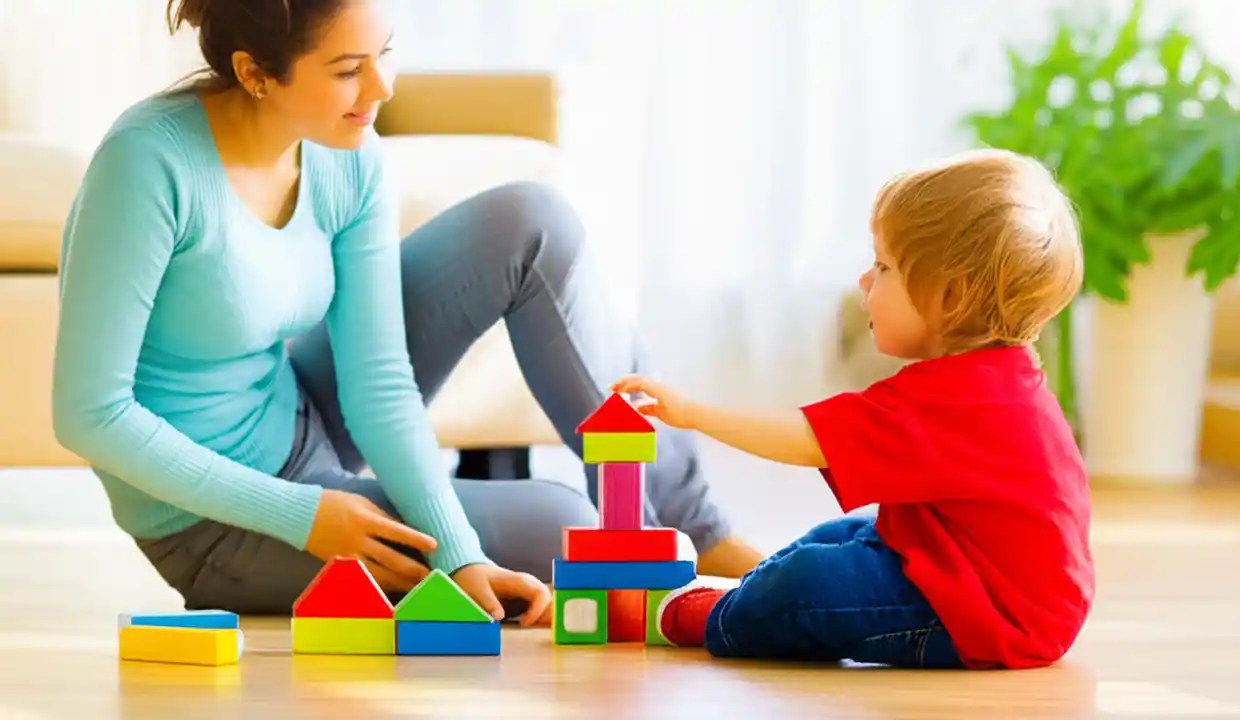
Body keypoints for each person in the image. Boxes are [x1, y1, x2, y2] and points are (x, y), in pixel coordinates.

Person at [50, 0, 763, 625]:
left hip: (298, 416)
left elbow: (379, 385)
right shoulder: (146, 166)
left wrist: (457, 554)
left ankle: (690, 528)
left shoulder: (347, 154)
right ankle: (656, 561)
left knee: (529, 222)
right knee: (572, 529)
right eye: (347, 69)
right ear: (257, 72)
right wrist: (302, 518)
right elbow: (89, 413)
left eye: (384, 54)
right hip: (212, 522)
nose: (382, 89)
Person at [614, 148, 1095, 669]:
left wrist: (691, 413)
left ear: (951, 297)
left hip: (990, 616)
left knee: (808, 583)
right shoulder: (991, 378)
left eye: (883, 265)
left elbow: (804, 438)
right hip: (978, 576)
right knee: (838, 537)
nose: (865, 281)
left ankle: (715, 616)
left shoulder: (959, 399)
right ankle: (753, 593)